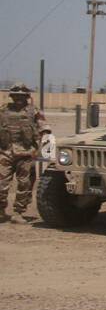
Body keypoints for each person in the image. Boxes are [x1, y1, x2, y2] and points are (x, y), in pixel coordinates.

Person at [0, 84, 50, 224]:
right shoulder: (3, 110)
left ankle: (18, 212)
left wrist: (45, 150)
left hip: (27, 154)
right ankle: (1, 211)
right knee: (1, 183)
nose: (19, 99)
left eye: (22, 96)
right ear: (11, 96)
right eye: (16, 96)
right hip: (5, 152)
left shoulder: (33, 112)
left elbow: (45, 129)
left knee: (25, 185)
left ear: (27, 97)